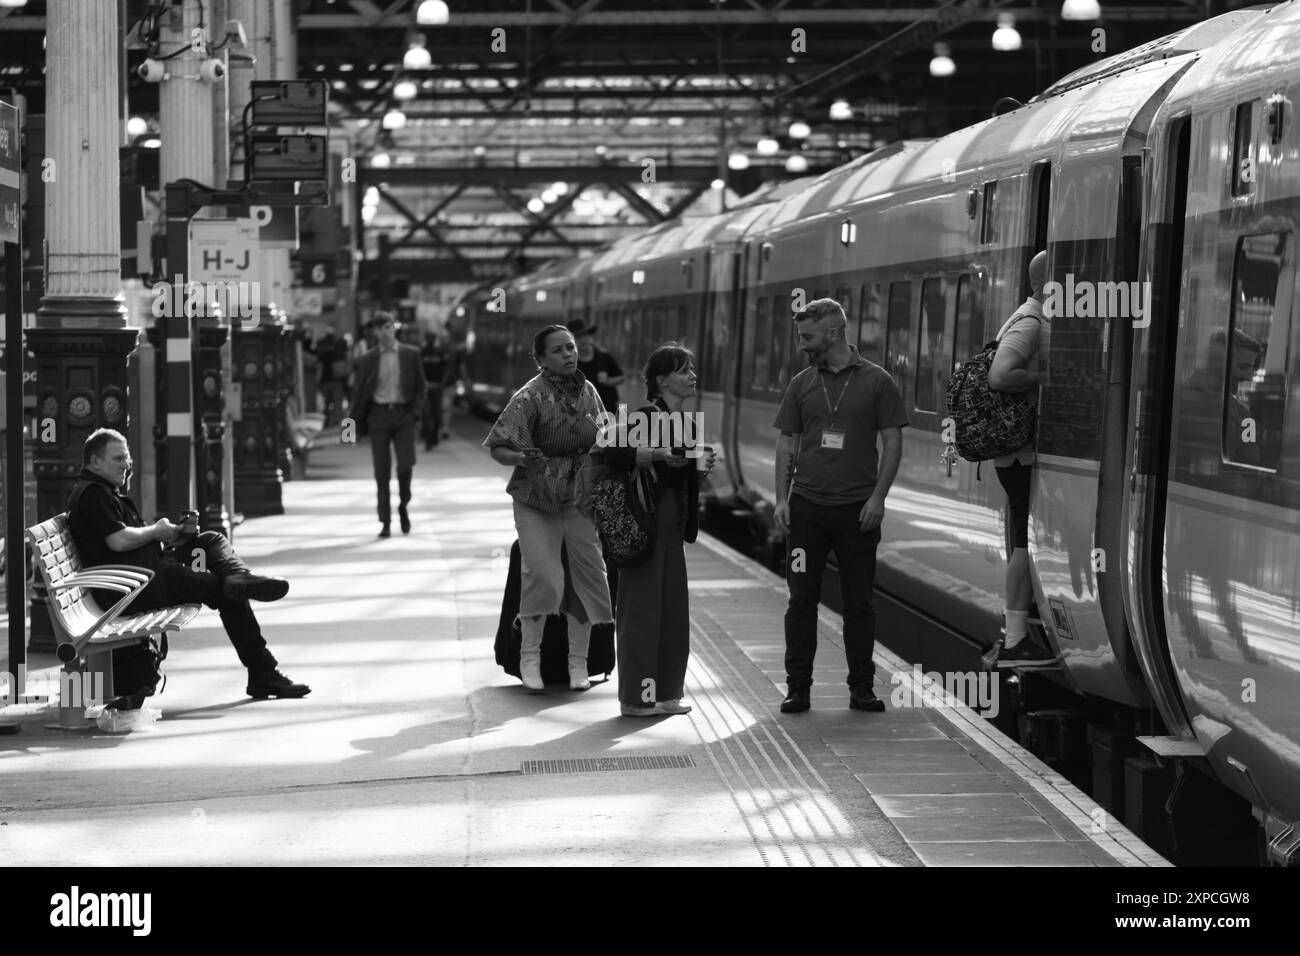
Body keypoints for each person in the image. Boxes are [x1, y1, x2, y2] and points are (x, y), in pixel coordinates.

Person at [67, 429, 310, 700]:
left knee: (209, 540)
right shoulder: (93, 495)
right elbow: (119, 541)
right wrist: (156, 531)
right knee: (224, 590)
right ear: (95, 461)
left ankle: (239, 576)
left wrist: (170, 534)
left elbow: (124, 541)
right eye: (118, 459)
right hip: (137, 586)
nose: (125, 465)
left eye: (127, 458)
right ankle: (263, 671)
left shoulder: (103, 491)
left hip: (147, 574)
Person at [772, 298, 908, 713]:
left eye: (807, 337)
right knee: (800, 601)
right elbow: (787, 443)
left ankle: (861, 688)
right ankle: (798, 687)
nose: (802, 345)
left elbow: (893, 442)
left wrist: (878, 499)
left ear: (834, 333)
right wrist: (781, 499)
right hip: (807, 512)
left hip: (857, 513)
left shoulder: (877, 382)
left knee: (859, 603)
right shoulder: (800, 384)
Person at [483, 324, 613, 692]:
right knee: (544, 576)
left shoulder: (589, 392)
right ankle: (530, 659)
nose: (568, 354)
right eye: (557, 350)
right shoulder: (528, 397)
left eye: (570, 347)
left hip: (579, 500)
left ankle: (578, 663)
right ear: (540, 359)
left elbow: (603, 436)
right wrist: (521, 458)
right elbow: (498, 447)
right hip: (536, 500)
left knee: (588, 579)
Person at [602, 344, 716, 717]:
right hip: (647, 527)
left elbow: (676, 473)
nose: (692, 376)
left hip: (671, 527)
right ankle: (637, 699)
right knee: (642, 612)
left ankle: (666, 695)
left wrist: (699, 467)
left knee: (670, 611)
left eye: (692, 369)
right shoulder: (648, 415)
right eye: (684, 371)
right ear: (662, 379)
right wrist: (653, 455)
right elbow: (612, 452)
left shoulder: (682, 419)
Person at [986, 250, 1056, 667]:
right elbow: (1000, 374)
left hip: (1015, 453)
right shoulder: (1030, 322)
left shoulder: (1028, 317)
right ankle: (1014, 640)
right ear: (1049, 282)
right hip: (1019, 454)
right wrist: (1050, 378)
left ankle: (1017, 633)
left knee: (1021, 542)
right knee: (1021, 545)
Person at [350, 311, 429, 538]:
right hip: (378, 417)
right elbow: (357, 394)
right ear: (374, 332)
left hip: (404, 416)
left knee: (405, 466)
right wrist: (350, 426)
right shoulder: (366, 359)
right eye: (379, 328)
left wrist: (415, 413)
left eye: (387, 327)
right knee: (381, 473)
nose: (384, 332)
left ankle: (403, 506)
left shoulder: (411, 354)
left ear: (394, 328)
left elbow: (421, 387)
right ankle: (385, 521)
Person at [568, 319, 625, 414]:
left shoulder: (603, 356)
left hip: (609, 409)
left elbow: (621, 377)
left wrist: (608, 381)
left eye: (584, 335)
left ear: (589, 336)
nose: (582, 339)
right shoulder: (570, 363)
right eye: (577, 336)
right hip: (584, 413)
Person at [419, 329, 450, 450]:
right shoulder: (422, 352)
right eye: (428, 338)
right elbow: (418, 369)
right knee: (426, 413)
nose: (430, 340)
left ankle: (435, 435)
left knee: (436, 414)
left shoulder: (440, 352)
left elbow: (447, 368)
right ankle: (428, 439)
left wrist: (443, 383)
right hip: (426, 387)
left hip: (437, 387)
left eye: (432, 337)